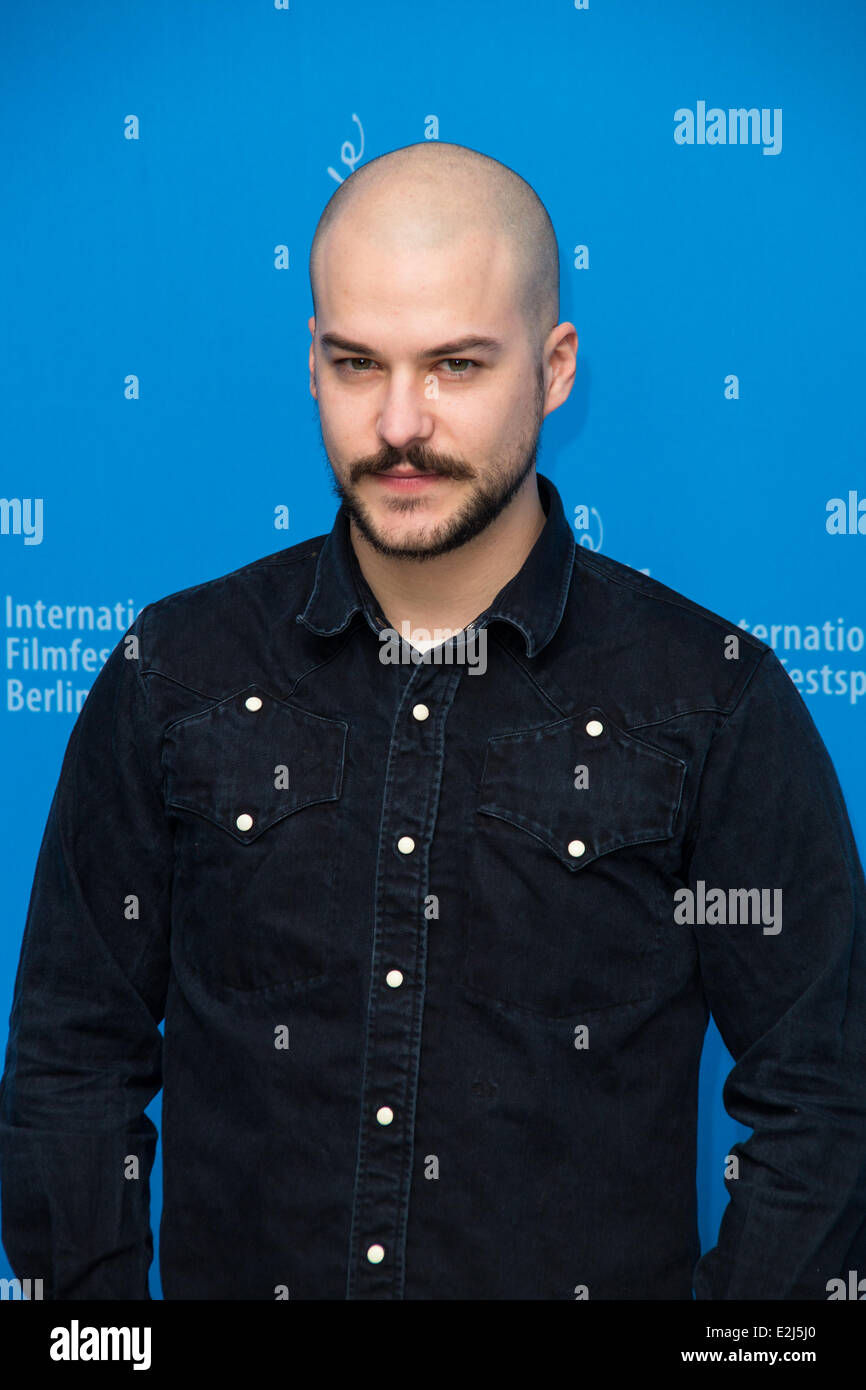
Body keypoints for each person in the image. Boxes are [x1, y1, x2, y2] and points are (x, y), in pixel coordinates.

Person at [1, 140, 865, 1301]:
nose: (399, 423)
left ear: (554, 369)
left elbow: (825, 1091)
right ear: (311, 363)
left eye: (456, 366)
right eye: (359, 363)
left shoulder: (709, 695)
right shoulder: (174, 671)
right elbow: (72, 1057)